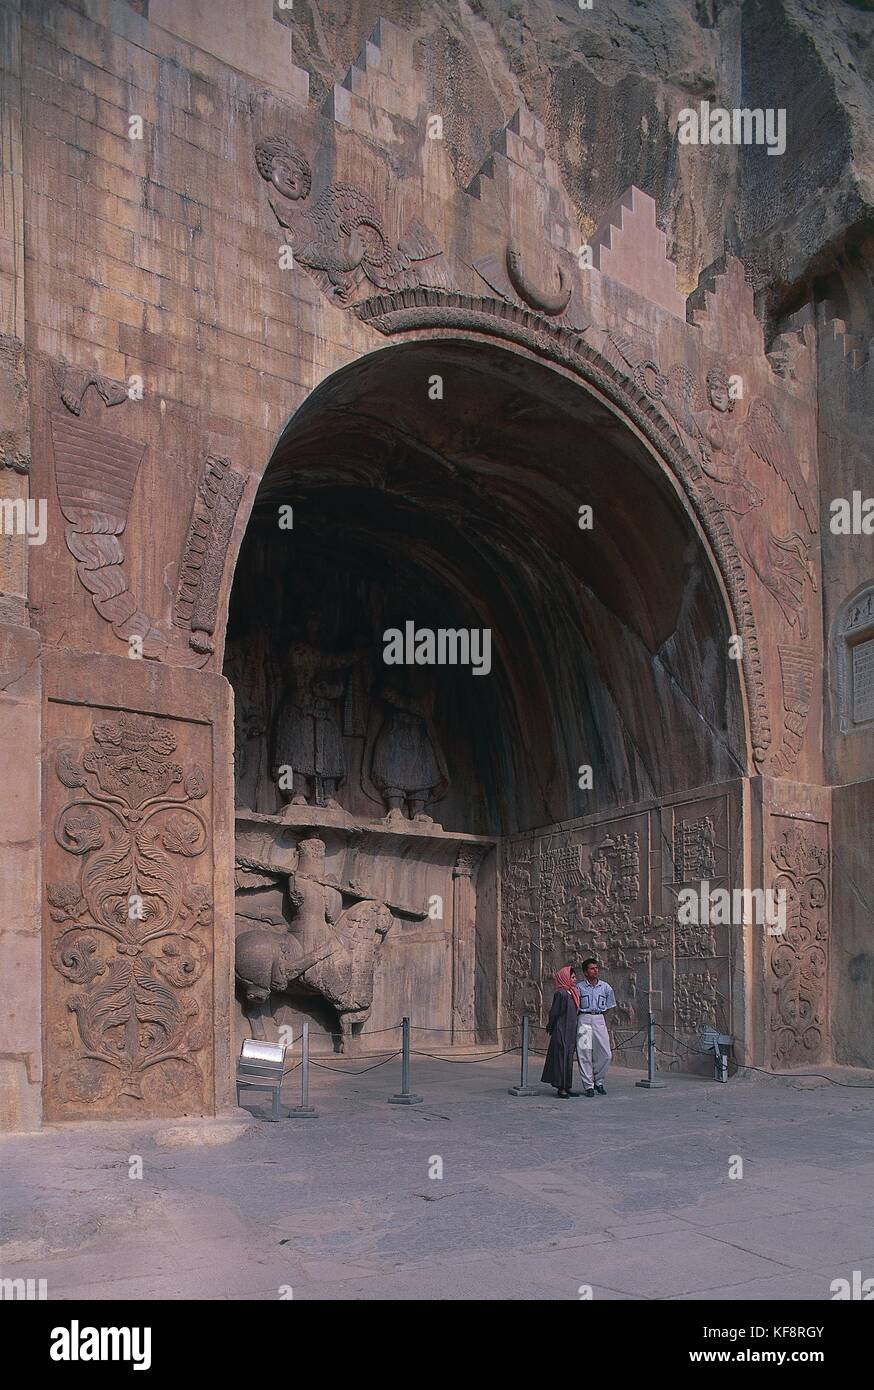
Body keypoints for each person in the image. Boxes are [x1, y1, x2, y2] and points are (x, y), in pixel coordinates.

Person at [576, 958, 616, 1097]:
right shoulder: (579, 987)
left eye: (596, 968)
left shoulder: (605, 987)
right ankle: (589, 1085)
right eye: (592, 968)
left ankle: (599, 1080)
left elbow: (610, 1006)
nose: (595, 970)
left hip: (599, 1018)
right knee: (584, 1052)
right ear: (585, 972)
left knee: (606, 1054)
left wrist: (603, 1020)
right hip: (584, 1018)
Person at [541, 965, 580, 1098]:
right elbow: (555, 1012)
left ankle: (567, 1085)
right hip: (562, 1029)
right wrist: (550, 1026)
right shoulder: (561, 993)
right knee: (561, 1058)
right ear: (565, 978)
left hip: (570, 1030)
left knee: (568, 1058)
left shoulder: (572, 993)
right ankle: (560, 1087)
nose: (575, 980)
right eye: (572, 977)